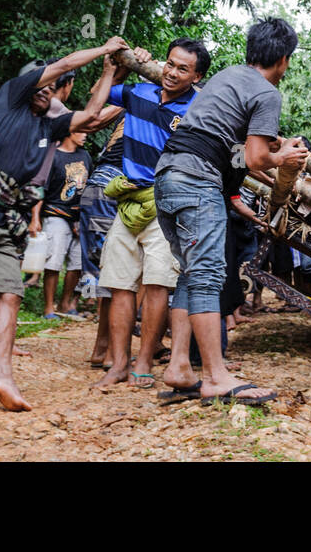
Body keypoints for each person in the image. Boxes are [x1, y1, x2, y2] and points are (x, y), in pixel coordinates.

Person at [0, 36, 127, 411]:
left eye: (51, 90)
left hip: (5, 221)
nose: (45, 90)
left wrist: (111, 71)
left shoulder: (49, 129)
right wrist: (104, 49)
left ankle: (3, 373)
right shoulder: (10, 98)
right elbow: (62, 66)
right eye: (41, 84)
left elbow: (93, 115)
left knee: (11, 292)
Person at [153, 17, 309, 405]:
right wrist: (284, 156)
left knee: (191, 274)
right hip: (196, 182)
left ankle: (179, 368)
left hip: (168, 174)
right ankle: (215, 376)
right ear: (284, 59)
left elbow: (233, 147)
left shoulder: (228, 76)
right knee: (206, 276)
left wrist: (271, 149)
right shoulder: (267, 92)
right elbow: (256, 158)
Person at [92, 38, 209, 390]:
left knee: (158, 284)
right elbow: (95, 105)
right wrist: (115, 68)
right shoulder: (139, 91)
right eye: (170, 64)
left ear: (197, 76)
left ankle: (144, 363)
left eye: (182, 69)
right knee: (119, 283)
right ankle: (119, 364)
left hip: (167, 207)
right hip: (128, 201)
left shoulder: (200, 110)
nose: (172, 73)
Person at [78, 124, 125, 368]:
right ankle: (107, 350)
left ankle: (103, 347)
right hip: (113, 188)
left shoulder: (135, 106)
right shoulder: (158, 107)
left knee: (106, 266)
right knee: (115, 268)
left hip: (102, 188)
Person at [40, 126, 92, 319]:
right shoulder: (52, 155)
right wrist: (36, 218)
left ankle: (66, 302)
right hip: (55, 212)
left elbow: (89, 187)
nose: (86, 135)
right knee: (53, 261)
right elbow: (42, 187)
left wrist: (84, 216)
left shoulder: (85, 156)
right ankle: (48, 307)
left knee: (77, 263)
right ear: (70, 132)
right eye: (82, 131)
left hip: (79, 216)